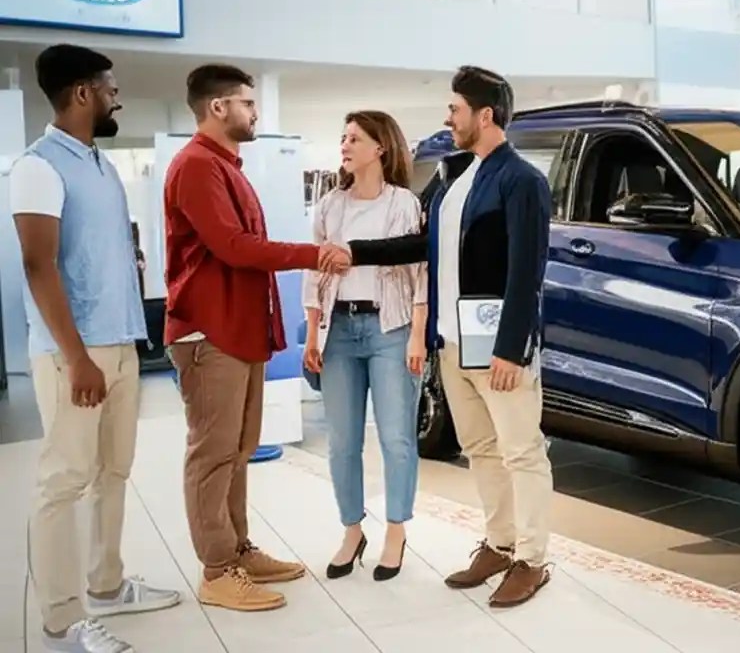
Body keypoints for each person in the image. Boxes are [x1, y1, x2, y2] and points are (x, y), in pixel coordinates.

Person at [340, 65, 555, 607]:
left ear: (485, 115)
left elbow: (526, 272)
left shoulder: (522, 180)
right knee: (481, 449)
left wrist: (511, 349)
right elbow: (423, 247)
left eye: (455, 109)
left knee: (522, 452)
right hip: (454, 344)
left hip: (498, 347)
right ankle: (500, 544)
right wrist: (355, 252)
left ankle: (532, 559)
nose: (448, 117)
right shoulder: (457, 180)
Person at [12, 44, 180, 653]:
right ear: (83, 93)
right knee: (63, 483)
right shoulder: (38, 166)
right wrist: (77, 357)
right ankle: (61, 622)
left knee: (113, 471)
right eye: (110, 89)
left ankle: (106, 586)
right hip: (73, 353)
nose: (117, 99)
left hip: (120, 344)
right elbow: (38, 264)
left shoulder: (101, 165)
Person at [163, 63, 345, 612]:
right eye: (247, 102)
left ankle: (237, 549)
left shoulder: (226, 167)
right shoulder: (196, 165)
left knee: (237, 451)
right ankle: (217, 570)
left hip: (238, 330)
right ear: (218, 107)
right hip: (209, 331)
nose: (255, 112)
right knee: (213, 453)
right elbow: (234, 247)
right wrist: (314, 254)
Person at [302, 111, 427, 581]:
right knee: (341, 442)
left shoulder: (404, 204)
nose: (345, 145)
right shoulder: (329, 206)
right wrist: (312, 333)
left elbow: (419, 274)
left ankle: (396, 531)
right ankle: (352, 530)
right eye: (343, 138)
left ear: (380, 148)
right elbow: (313, 273)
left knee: (396, 438)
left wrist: (417, 335)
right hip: (338, 331)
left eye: (355, 138)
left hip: (390, 329)